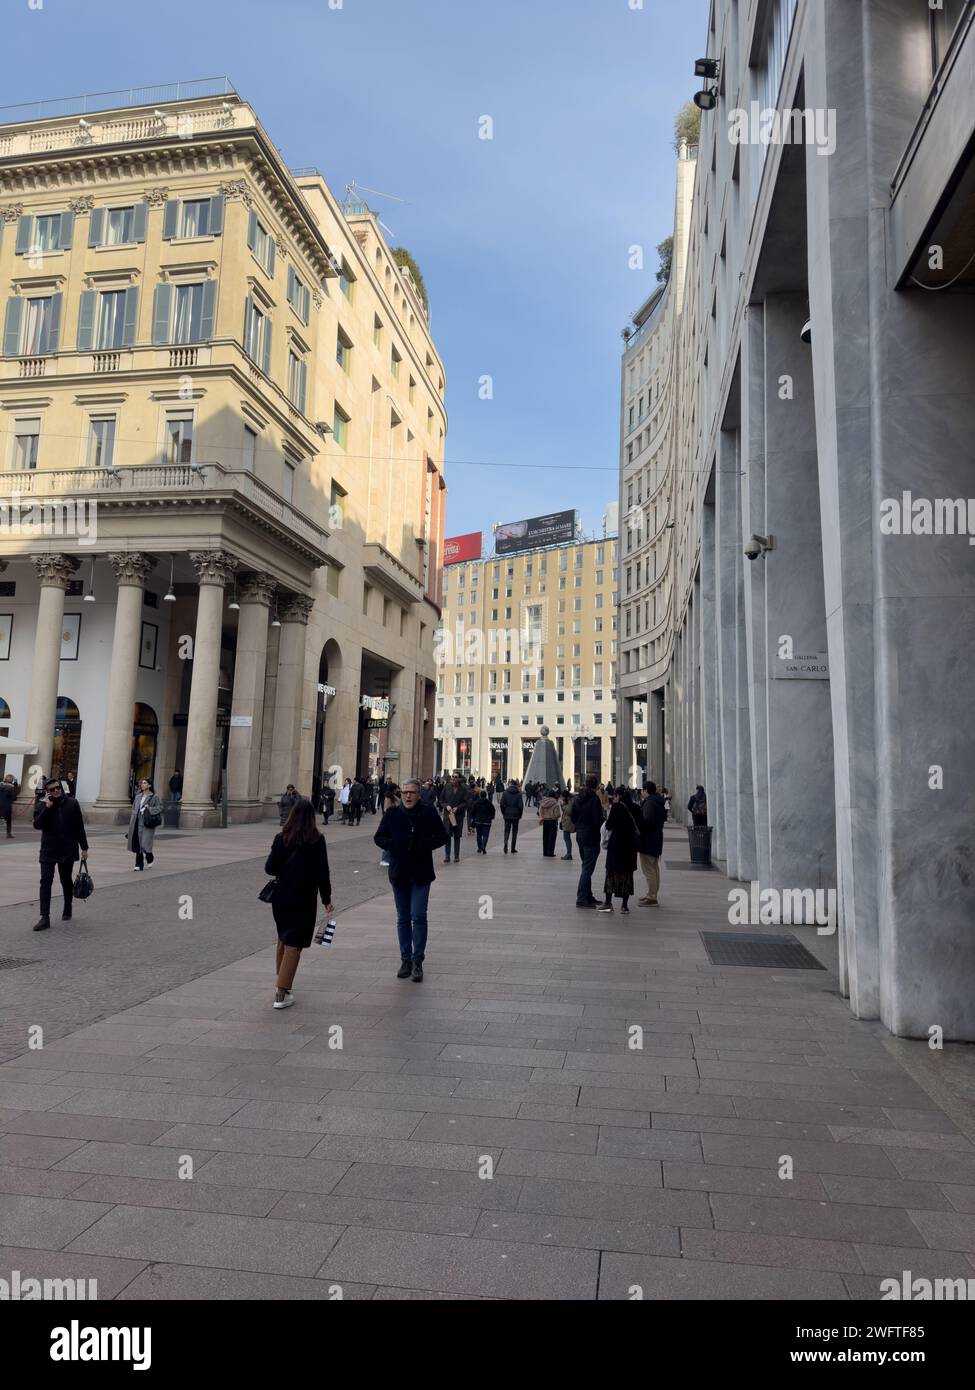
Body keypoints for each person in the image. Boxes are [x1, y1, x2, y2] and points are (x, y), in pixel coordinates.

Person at [374, 777, 448, 982]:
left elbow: (443, 836)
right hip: (399, 874)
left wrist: (425, 845)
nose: (407, 795)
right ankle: (405, 960)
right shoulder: (393, 814)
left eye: (412, 792)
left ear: (418, 794)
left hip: (421, 873)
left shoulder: (429, 812)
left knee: (418, 916)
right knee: (403, 918)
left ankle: (418, 961)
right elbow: (378, 837)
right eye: (404, 792)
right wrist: (394, 845)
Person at [263, 798, 333, 1010]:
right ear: (312, 818)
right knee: (295, 942)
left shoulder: (281, 837)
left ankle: (283, 984)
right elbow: (323, 873)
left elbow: (270, 868)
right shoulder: (317, 840)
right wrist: (327, 899)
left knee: (284, 937)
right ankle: (281, 992)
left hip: (281, 897)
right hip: (304, 898)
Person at [32, 776, 88, 932]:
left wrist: (84, 847)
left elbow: (79, 826)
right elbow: (37, 825)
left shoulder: (72, 803)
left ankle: (67, 906)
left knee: (65, 880)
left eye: (58, 788)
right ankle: (45, 917)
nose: (56, 791)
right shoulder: (42, 805)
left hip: (67, 848)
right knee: (45, 881)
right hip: (48, 849)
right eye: (52, 789)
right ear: (47, 792)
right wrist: (48, 808)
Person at [597, 787, 638, 914]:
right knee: (627, 874)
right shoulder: (636, 807)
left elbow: (609, 825)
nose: (614, 799)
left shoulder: (616, 807)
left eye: (614, 796)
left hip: (617, 845)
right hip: (630, 846)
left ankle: (608, 903)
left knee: (611, 873)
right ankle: (624, 906)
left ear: (618, 796)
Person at [571, 773, 605, 908]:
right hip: (591, 837)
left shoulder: (578, 798)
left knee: (586, 866)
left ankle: (588, 895)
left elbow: (573, 817)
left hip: (581, 835)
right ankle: (581, 898)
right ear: (596, 786)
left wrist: (580, 825)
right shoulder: (595, 800)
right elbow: (598, 821)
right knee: (587, 869)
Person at [638, 781, 667, 906]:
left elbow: (647, 820)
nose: (641, 793)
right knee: (654, 868)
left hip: (648, 839)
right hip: (656, 838)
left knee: (648, 869)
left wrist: (639, 825)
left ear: (645, 790)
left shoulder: (649, 803)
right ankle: (652, 893)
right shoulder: (658, 802)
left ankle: (652, 897)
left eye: (642, 790)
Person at [127, 778, 164, 871]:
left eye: (145, 783)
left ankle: (149, 856)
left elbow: (160, 807)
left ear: (149, 785)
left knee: (144, 843)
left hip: (147, 823)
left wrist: (150, 809)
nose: (142, 785)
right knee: (137, 842)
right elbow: (134, 808)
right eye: (141, 783)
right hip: (136, 822)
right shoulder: (137, 796)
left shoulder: (154, 797)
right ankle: (138, 864)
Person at [441, 772, 470, 863]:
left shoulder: (463, 789)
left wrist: (458, 808)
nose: (453, 778)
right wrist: (446, 806)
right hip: (448, 816)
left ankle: (456, 856)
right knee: (447, 836)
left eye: (456, 777)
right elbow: (441, 800)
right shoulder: (447, 787)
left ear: (459, 779)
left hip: (458, 816)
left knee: (457, 837)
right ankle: (447, 856)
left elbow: (466, 802)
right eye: (452, 776)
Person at [500, 778, 524, 853]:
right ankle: (513, 848)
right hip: (516, 815)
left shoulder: (505, 793)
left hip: (507, 814)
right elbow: (520, 806)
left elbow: (501, 804)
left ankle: (506, 843)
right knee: (514, 831)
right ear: (516, 785)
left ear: (510, 784)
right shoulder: (519, 794)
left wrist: (503, 812)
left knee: (506, 830)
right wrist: (520, 814)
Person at [470, 788, 496, 853]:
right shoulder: (489, 803)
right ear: (486, 795)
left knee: (479, 835)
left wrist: (473, 818)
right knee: (485, 835)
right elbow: (493, 811)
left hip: (478, 821)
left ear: (480, 795)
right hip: (487, 821)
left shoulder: (476, 803)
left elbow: (472, 812)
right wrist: (491, 817)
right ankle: (483, 846)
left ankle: (479, 847)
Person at [538, 785, 561, 858]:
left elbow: (540, 811)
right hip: (552, 821)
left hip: (545, 821)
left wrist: (542, 817)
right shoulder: (555, 803)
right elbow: (558, 814)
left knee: (545, 837)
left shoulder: (543, 802)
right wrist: (555, 817)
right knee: (552, 837)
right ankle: (550, 852)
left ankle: (545, 852)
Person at [0, 773, 18, 839]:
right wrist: (15, 787)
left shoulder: (0, 785)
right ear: (12, 780)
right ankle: (8, 834)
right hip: (6, 806)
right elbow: (14, 798)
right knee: (8, 821)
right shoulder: (11, 788)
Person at [559, 790, 574, 860]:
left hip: (568, 822)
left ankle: (569, 854)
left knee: (567, 838)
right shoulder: (568, 801)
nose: (561, 798)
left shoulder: (570, 801)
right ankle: (568, 853)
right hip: (566, 821)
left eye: (562, 796)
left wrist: (562, 805)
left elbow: (569, 811)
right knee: (566, 838)